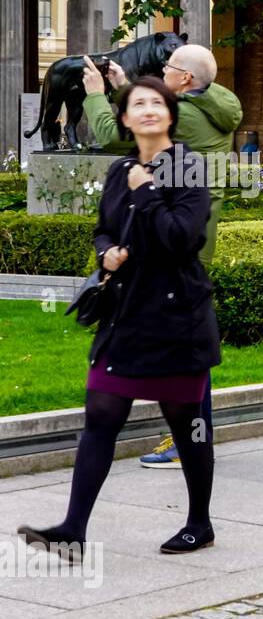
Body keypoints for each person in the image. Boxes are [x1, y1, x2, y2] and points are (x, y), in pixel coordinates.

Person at [17, 77, 221, 557]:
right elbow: (103, 229)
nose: (148, 110)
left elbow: (182, 240)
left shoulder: (187, 166)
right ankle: (73, 529)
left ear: (170, 114)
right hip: (125, 313)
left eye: (157, 103)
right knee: (101, 414)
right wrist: (106, 252)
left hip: (175, 318)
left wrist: (148, 190)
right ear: (125, 119)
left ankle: (199, 522)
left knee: (187, 422)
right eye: (137, 105)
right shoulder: (120, 169)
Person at [82, 44, 243, 469]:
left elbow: (110, 133)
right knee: (186, 343)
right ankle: (189, 434)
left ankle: (188, 437)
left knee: (188, 348)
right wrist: (125, 87)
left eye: (167, 70)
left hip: (175, 237)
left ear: (184, 80)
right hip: (196, 233)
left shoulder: (183, 116)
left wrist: (98, 93)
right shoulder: (216, 104)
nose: (160, 74)